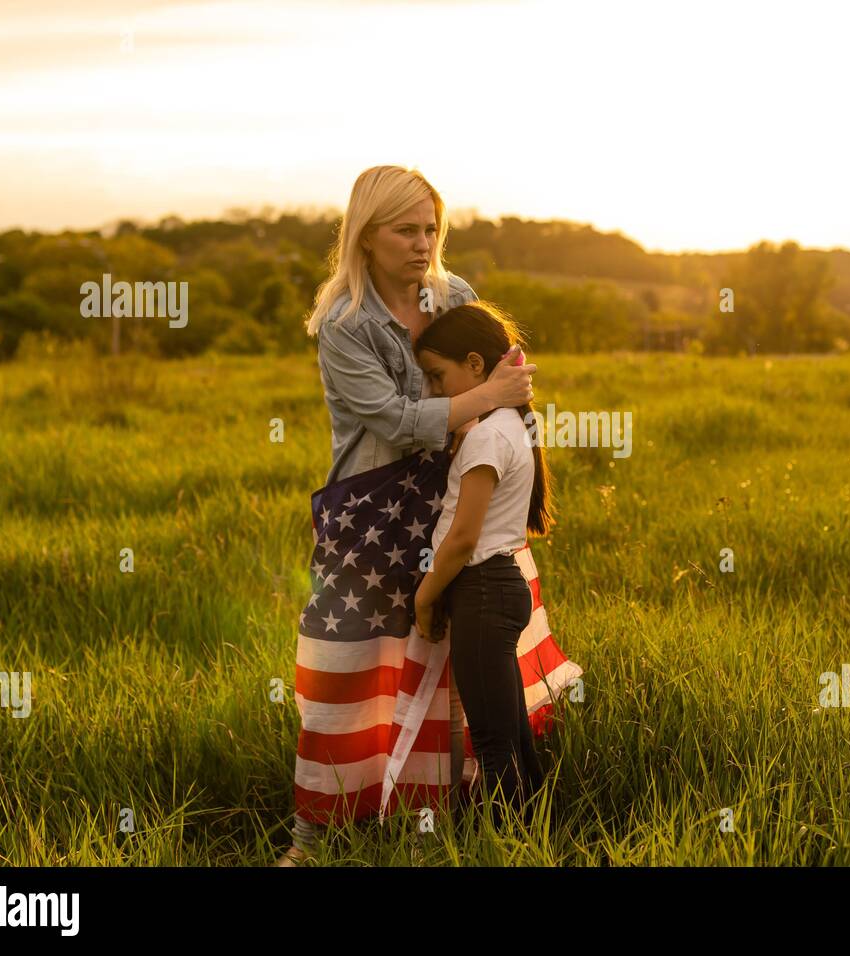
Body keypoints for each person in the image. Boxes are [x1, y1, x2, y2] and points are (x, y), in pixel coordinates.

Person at [277, 166, 536, 867]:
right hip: (369, 509)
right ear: (366, 234)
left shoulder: (456, 297)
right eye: (405, 230)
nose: (423, 243)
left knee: (458, 659)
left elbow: (510, 396)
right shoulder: (345, 323)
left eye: (431, 227)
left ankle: (444, 818)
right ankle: (313, 833)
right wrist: (485, 398)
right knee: (351, 663)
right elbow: (395, 419)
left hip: (457, 497)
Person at [412, 300, 555, 829]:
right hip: (502, 586)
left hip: (483, 591)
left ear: (475, 365)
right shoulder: (508, 423)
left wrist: (426, 598)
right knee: (513, 734)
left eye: (437, 375)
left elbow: (461, 538)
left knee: (494, 745)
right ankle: (543, 836)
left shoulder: (489, 437)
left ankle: (510, 843)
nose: (434, 390)